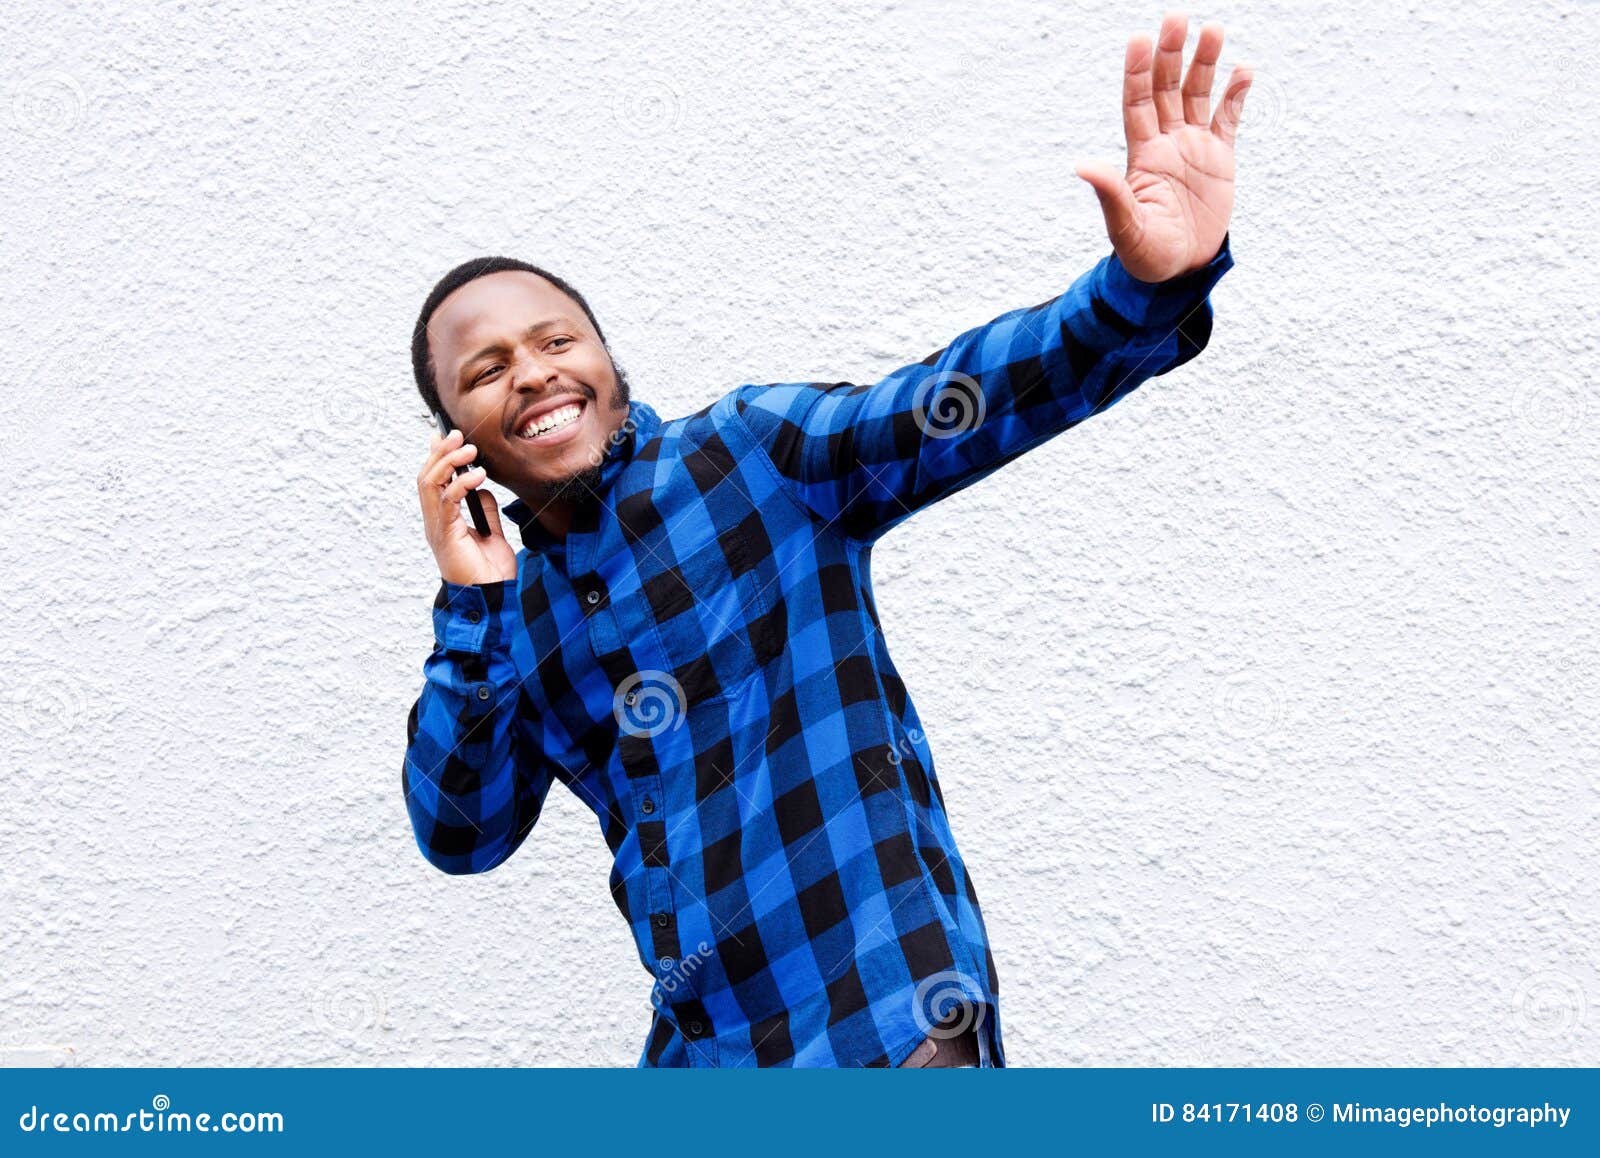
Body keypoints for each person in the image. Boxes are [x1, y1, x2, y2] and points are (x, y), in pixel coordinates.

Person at [402, 10, 1249, 1067]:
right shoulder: (510, 619)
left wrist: (1141, 293)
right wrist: (471, 604)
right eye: (484, 371)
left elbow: (958, 401)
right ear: (457, 441)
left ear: (610, 363)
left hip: (888, 1030)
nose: (530, 372)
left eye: (555, 340)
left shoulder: (752, 455)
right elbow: (461, 833)